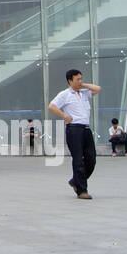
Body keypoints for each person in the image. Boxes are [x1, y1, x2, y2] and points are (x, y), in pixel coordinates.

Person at [48, 69, 100, 199]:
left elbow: (97, 89)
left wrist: (83, 85)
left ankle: (76, 181)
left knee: (91, 158)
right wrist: (64, 115)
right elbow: (52, 106)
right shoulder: (65, 94)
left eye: (81, 78)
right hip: (74, 129)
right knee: (78, 159)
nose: (80, 81)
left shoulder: (84, 93)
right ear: (70, 81)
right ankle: (82, 190)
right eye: (77, 79)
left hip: (86, 128)